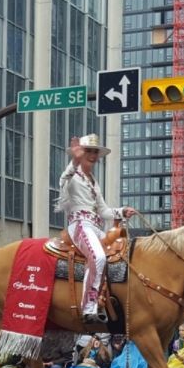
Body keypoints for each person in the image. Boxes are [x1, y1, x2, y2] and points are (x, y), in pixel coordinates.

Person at [58, 134, 135, 323]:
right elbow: (63, 179)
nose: (92, 155)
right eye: (88, 151)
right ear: (80, 153)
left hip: (96, 227)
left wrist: (122, 211)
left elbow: (104, 211)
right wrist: (74, 162)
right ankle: (88, 306)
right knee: (98, 257)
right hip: (80, 225)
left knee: (123, 251)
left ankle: (112, 299)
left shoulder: (93, 181)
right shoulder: (72, 176)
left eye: (95, 152)